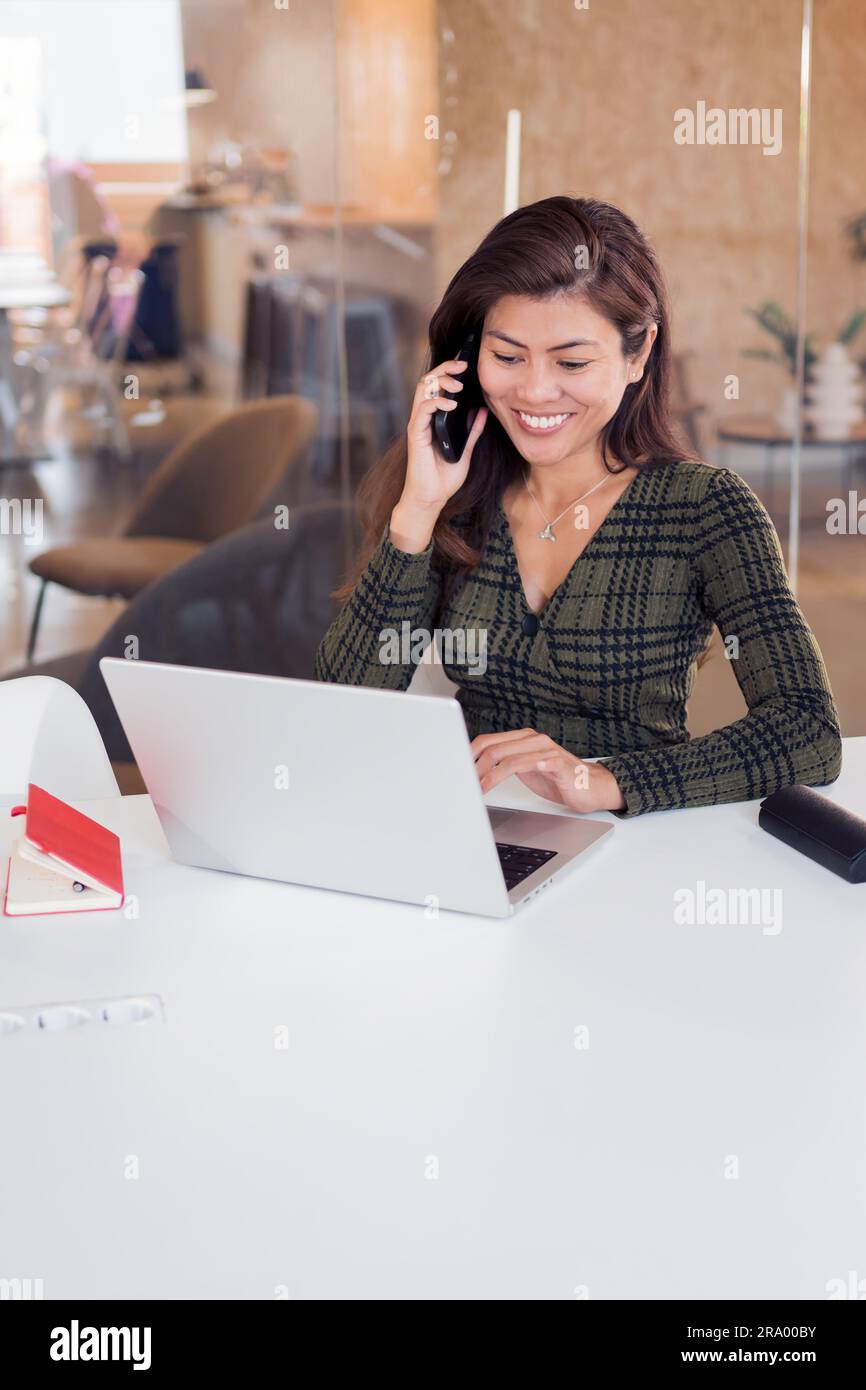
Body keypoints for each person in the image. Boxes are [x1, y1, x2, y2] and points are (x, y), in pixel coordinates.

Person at [315, 196, 842, 817]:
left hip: (630, 842)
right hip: (472, 830)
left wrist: (604, 782)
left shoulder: (705, 509)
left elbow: (807, 731)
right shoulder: (457, 496)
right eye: (507, 356)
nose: (535, 390)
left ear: (638, 354)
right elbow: (345, 705)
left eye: (572, 361)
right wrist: (418, 510)